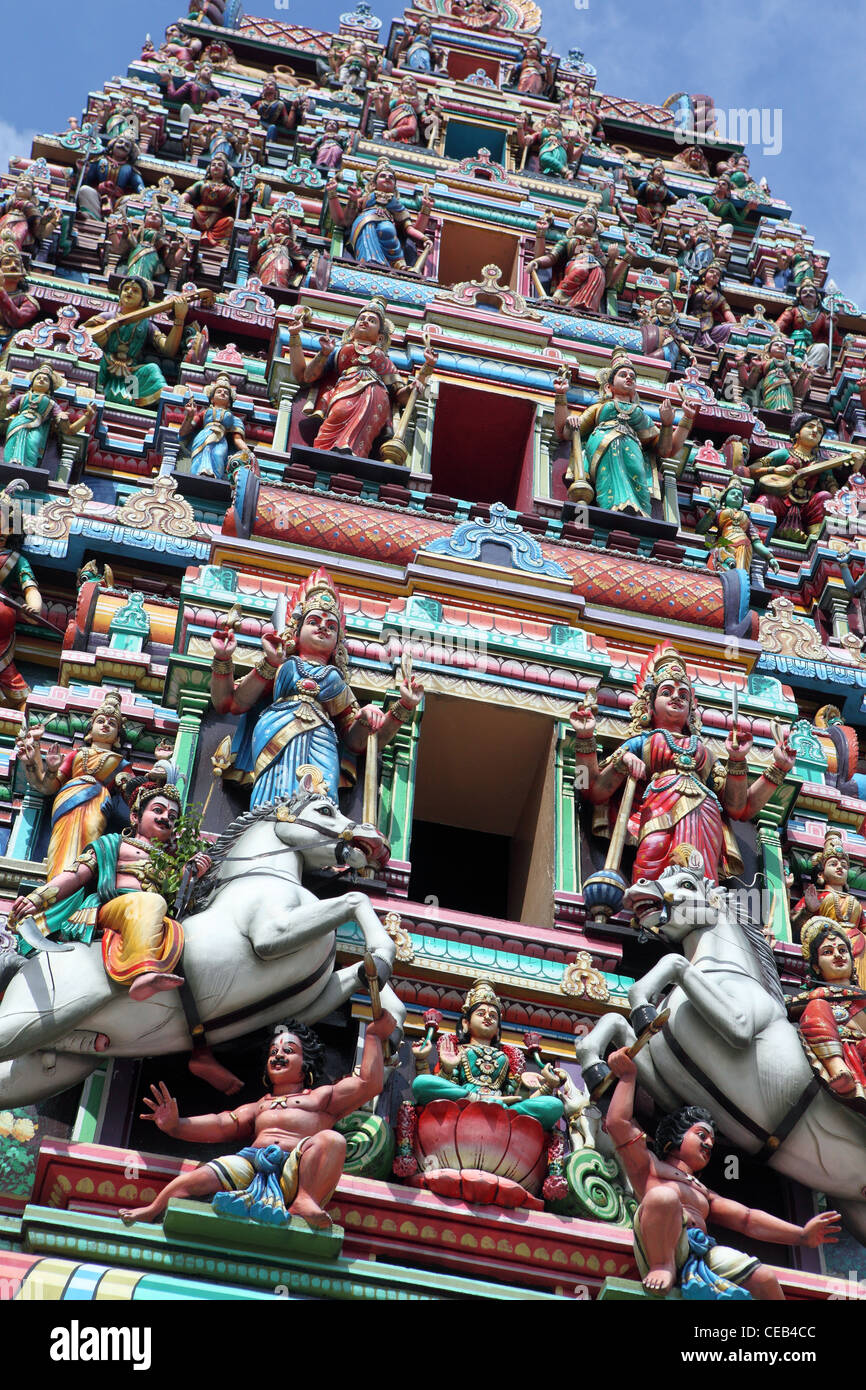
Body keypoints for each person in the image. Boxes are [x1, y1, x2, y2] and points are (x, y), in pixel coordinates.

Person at [118, 1012, 394, 1228]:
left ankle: (304, 1201)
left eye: (288, 1051)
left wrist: (372, 1036)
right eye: (274, 1052)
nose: (279, 1055)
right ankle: (153, 1209)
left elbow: (368, 1083)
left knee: (331, 1140)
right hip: (253, 1162)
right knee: (200, 1176)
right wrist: (177, 1125)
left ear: (305, 1062)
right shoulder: (260, 1106)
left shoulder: (322, 1097)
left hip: (297, 1168)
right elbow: (222, 1123)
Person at [605, 1047, 841, 1298]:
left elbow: (747, 1219)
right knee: (663, 1197)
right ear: (675, 1137)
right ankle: (662, 1266)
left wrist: (802, 1235)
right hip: (662, 1246)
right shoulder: (649, 1166)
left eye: (711, 1141)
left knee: (765, 1279)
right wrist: (628, 1078)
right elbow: (617, 1124)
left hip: (701, 1250)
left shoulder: (703, 1192)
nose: (708, 1144)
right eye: (701, 1135)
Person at [568, 642, 796, 884]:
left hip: (704, 815)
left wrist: (770, 766)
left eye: (683, 695)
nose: (676, 697)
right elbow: (589, 788)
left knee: (699, 874)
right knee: (651, 863)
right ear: (649, 706)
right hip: (655, 812)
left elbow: (741, 808)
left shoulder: (703, 753)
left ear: (691, 710)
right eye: (666, 692)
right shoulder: (641, 743)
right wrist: (587, 739)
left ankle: (698, 910)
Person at [210, 566, 423, 806]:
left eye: (332, 626)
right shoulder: (282, 665)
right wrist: (224, 658)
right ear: (297, 632)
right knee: (273, 795)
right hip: (277, 729)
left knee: (319, 802)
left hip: (322, 739)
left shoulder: (334, 679)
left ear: (337, 644)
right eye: (314, 621)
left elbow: (358, 742)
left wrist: (401, 707)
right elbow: (230, 702)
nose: (323, 627)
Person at [554, 347, 697, 516]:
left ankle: (637, 510)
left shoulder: (640, 414)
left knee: (636, 478)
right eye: (623, 375)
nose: (629, 377)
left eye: (632, 377)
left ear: (635, 390)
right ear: (609, 386)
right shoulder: (599, 409)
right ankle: (611, 508)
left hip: (633, 449)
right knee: (609, 476)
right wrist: (561, 397)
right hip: (604, 445)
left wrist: (676, 421)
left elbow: (666, 449)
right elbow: (565, 432)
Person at [286, 299, 436, 458]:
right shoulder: (340, 351)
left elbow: (400, 396)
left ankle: (355, 454)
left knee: (365, 428)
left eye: (372, 321)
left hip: (375, 397)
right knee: (338, 413)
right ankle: (324, 450)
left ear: (379, 338)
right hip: (344, 391)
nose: (365, 322)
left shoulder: (383, 360)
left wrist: (423, 374)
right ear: (351, 332)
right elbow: (306, 376)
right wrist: (318, 349)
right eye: (362, 319)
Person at [411, 979, 565, 1128]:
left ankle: (490, 1104)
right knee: (422, 1083)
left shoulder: (505, 1057)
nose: (487, 1018)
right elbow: (436, 1090)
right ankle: (480, 1100)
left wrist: (534, 1086)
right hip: (462, 1102)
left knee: (554, 1105)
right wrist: (444, 1067)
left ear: (498, 1029)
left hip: (502, 1107)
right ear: (466, 1023)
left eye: (493, 1016)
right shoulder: (457, 1050)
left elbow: (518, 1100)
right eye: (481, 1013)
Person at [16, 688, 130, 879]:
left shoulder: (122, 764)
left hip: (98, 802)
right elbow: (47, 786)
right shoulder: (76, 755)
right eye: (100, 721)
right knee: (60, 840)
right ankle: (57, 878)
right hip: (68, 797)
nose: (105, 725)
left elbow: (134, 795)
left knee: (92, 832)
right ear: (89, 733)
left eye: (112, 724)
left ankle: (78, 880)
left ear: (118, 738)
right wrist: (51, 769)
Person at [788, 918, 866, 1102]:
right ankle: (837, 1068)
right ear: (816, 966)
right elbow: (788, 1006)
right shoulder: (817, 995)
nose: (838, 956)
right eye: (828, 952)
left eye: (842, 950)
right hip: (832, 1048)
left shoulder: (860, 995)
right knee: (817, 1006)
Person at [85, 277, 188, 408]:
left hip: (131, 374)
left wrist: (179, 319)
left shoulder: (147, 326)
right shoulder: (107, 317)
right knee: (94, 351)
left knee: (153, 369)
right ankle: (95, 387)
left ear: (143, 301)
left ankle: (165, 402)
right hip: (105, 366)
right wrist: (89, 325)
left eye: (135, 290)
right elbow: (83, 337)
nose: (129, 292)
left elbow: (168, 350)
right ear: (120, 296)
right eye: (126, 289)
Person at [749, 411, 839, 542]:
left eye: (819, 431)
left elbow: (835, 493)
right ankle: (756, 537)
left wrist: (855, 470)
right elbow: (751, 470)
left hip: (807, 509)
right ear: (797, 432)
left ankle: (818, 541)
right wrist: (774, 469)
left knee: (824, 497)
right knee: (765, 500)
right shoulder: (783, 454)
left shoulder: (821, 465)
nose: (815, 431)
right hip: (780, 502)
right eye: (810, 426)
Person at [791, 833, 865, 987]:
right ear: (820, 873)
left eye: (844, 866)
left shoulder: (854, 901)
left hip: (860, 945)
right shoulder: (816, 896)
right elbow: (793, 924)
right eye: (833, 864)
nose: (840, 868)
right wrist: (809, 910)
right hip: (829, 943)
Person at [0, 367, 95, 471]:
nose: (41, 380)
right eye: (38, 378)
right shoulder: (22, 397)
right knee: (12, 445)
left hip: (36, 428)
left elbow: (68, 430)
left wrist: (87, 416)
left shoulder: (51, 403)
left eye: (45, 380)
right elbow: (2, 413)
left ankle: (26, 470)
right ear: (31, 384)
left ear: (50, 387)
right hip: (17, 424)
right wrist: (3, 397)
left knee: (33, 444)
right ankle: (8, 467)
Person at [694, 480, 780, 574]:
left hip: (745, 547)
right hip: (726, 543)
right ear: (725, 498)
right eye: (733, 493)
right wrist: (712, 511)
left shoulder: (746, 519)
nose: (736, 496)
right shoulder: (718, 513)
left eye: (739, 495)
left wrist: (770, 558)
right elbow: (700, 530)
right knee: (725, 565)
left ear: (742, 503)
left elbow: (756, 543)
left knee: (739, 573)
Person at [179, 374, 251, 480]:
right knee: (205, 450)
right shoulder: (203, 414)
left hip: (221, 440)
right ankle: (200, 474)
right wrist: (190, 415)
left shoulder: (234, 419)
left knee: (218, 455)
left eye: (226, 393)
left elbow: (237, 439)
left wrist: (249, 453)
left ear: (229, 402)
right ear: (212, 399)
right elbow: (184, 432)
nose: (222, 393)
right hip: (204, 437)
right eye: (219, 391)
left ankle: (215, 477)